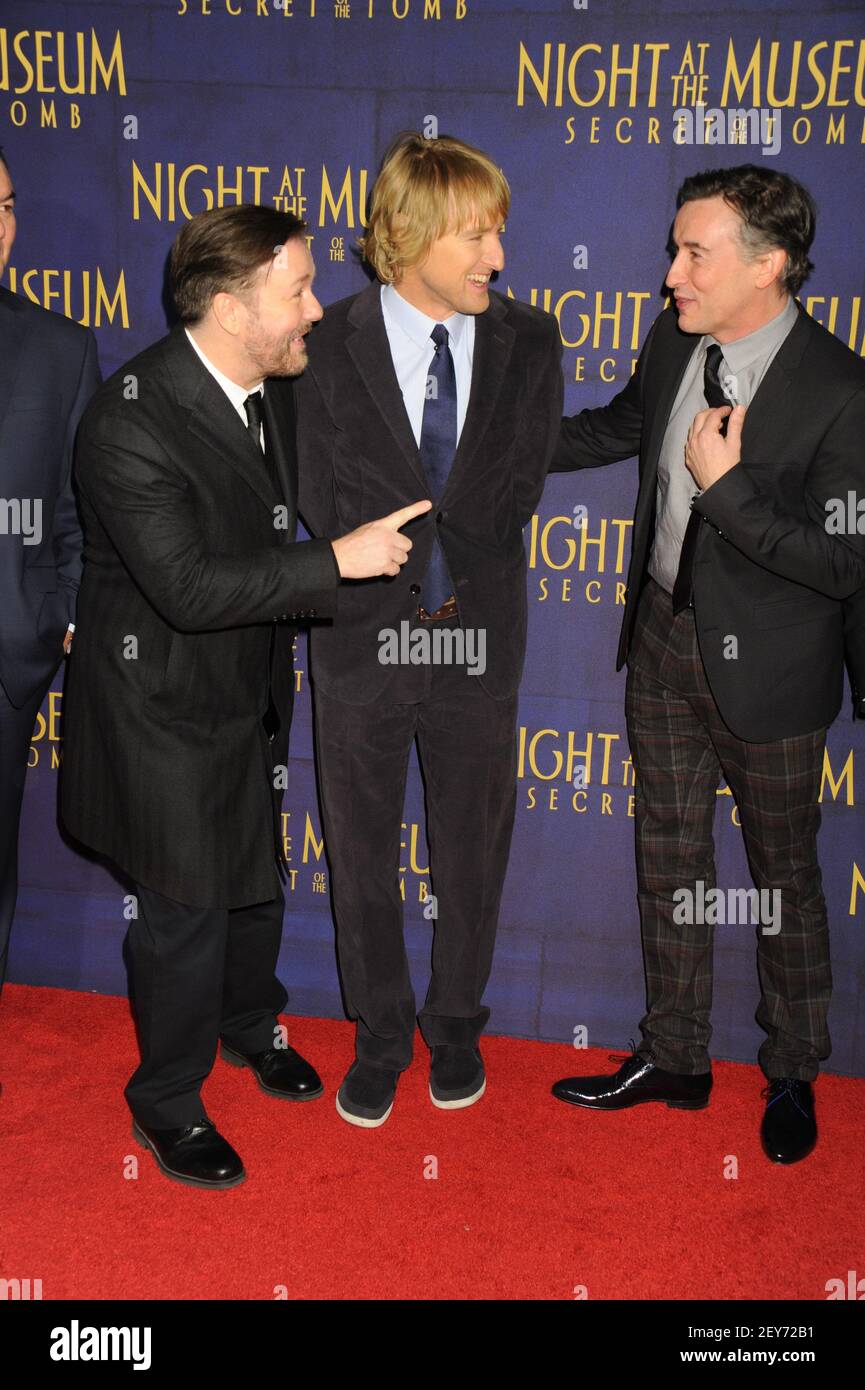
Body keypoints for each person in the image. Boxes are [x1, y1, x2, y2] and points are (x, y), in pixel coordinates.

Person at [60, 204, 430, 1187]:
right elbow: (183, 589)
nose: (317, 307)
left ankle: (246, 1024)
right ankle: (167, 1102)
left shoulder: (276, 381)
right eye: (298, 291)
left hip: (248, 688)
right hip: (156, 703)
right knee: (183, 913)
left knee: (255, 882)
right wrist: (336, 563)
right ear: (230, 309)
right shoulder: (130, 418)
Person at [549, 164, 865, 1165]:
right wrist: (493, 445)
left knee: (781, 880)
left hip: (771, 673)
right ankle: (676, 1057)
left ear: (767, 265)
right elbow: (620, 427)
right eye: (673, 249)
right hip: (660, 642)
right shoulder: (676, 338)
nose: (669, 276)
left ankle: (793, 1071)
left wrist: (725, 492)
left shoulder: (842, 389)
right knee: (668, 859)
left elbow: (842, 560)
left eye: (694, 254)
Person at [295, 132, 563, 1128]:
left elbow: (519, 486)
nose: (498, 254)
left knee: (472, 845)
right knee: (359, 844)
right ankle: (376, 1034)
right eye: (477, 233)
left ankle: (455, 1024)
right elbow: (314, 493)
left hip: (478, 637)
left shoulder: (531, 342)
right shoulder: (326, 341)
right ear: (409, 234)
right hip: (361, 636)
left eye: (500, 230)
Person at [0, 144, 100, 1029]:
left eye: (3, 204)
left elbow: (77, 512)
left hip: (4, 660)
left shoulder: (58, 348)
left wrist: (54, 614)